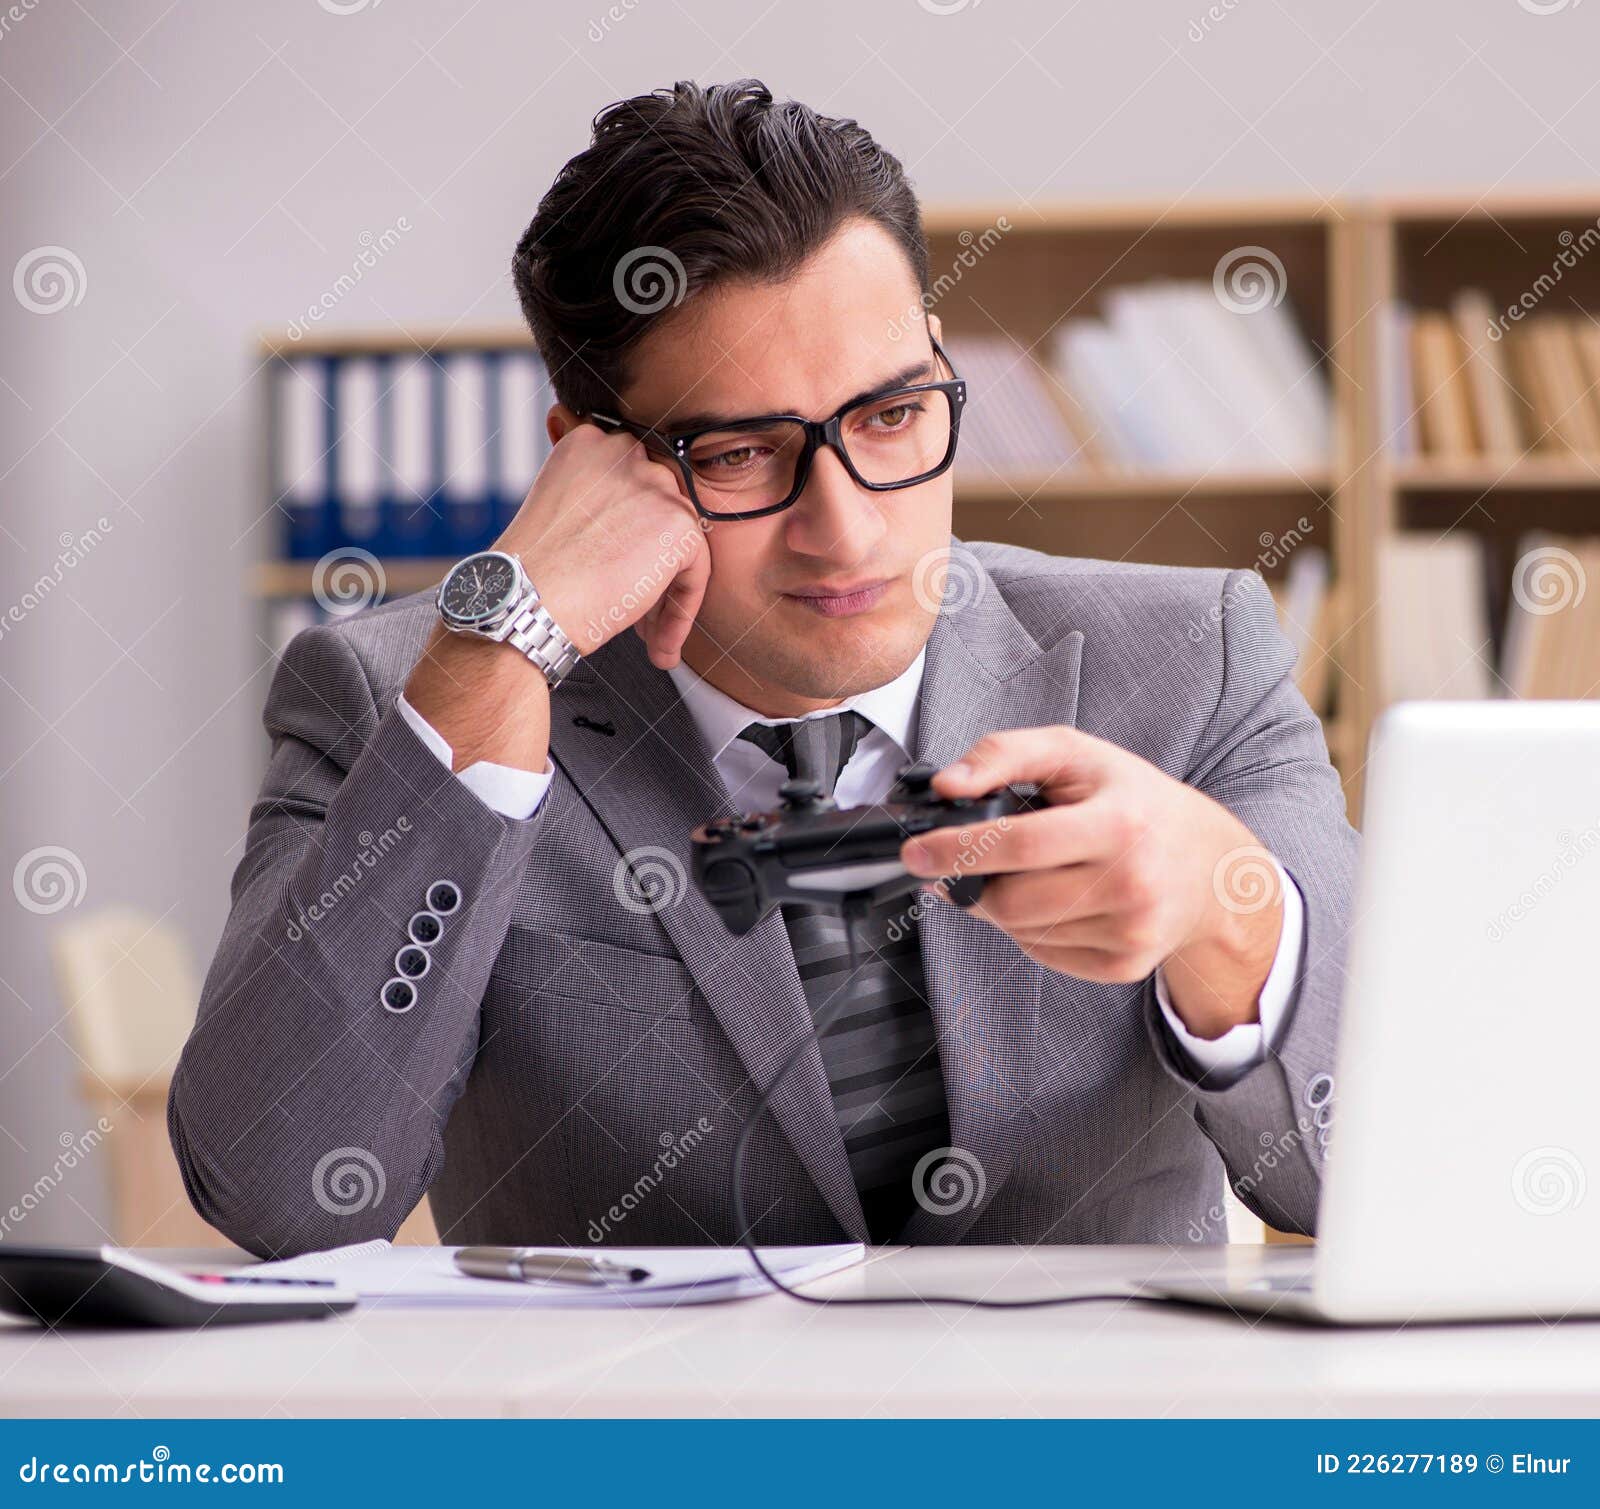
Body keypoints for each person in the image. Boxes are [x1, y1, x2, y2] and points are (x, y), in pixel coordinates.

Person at [170, 79, 1357, 1258]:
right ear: (587, 464)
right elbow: (285, 1196)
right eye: (739, 452)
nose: (845, 529)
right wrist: (497, 649)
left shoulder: (1192, 662)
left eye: (891, 417)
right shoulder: (401, 703)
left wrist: (1228, 919)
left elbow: (1373, 1181)